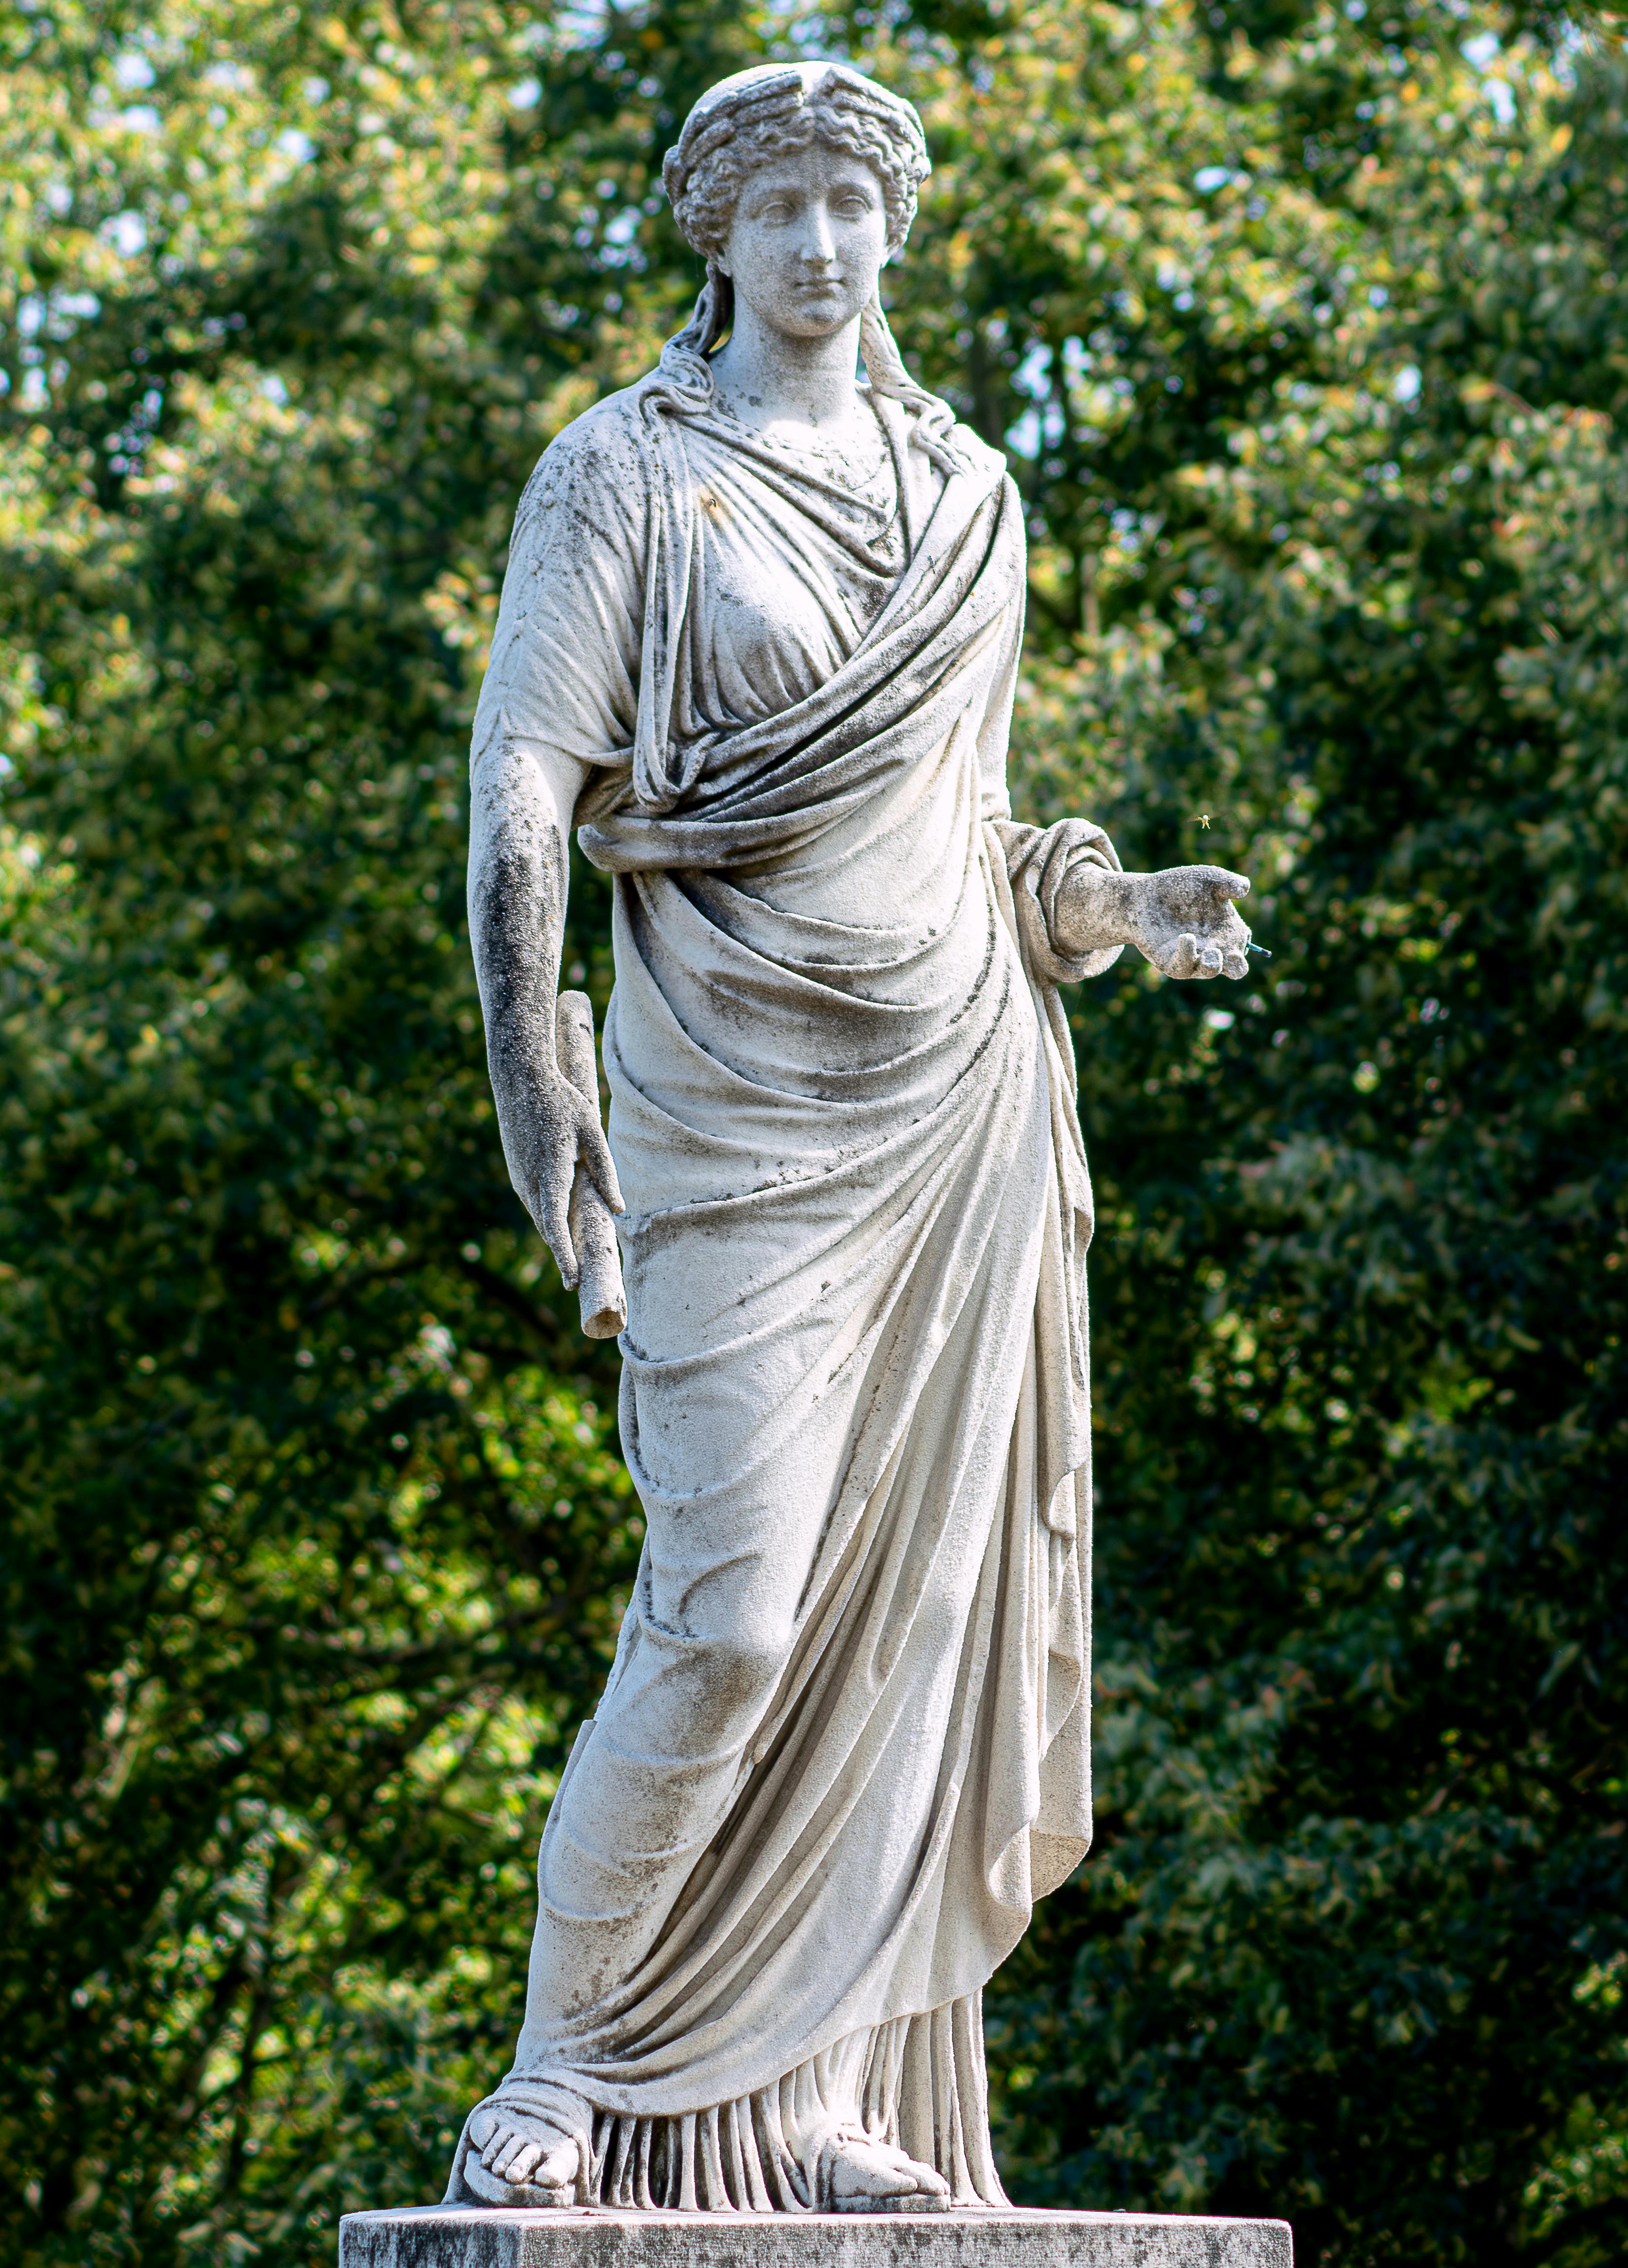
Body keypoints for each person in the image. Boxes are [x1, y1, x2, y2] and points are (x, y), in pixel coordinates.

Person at [448, 58, 1254, 2217]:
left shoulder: (969, 491)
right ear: (715, 235)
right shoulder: (624, 474)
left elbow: (959, 828)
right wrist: (543, 1094)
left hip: (961, 1096)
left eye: (849, 202)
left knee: (898, 1627)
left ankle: (813, 2096)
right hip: (725, 1101)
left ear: (892, 227)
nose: (819, 242)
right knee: (731, 1613)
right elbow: (524, 789)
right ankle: (561, 2064)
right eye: (777, 204)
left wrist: (1103, 906)